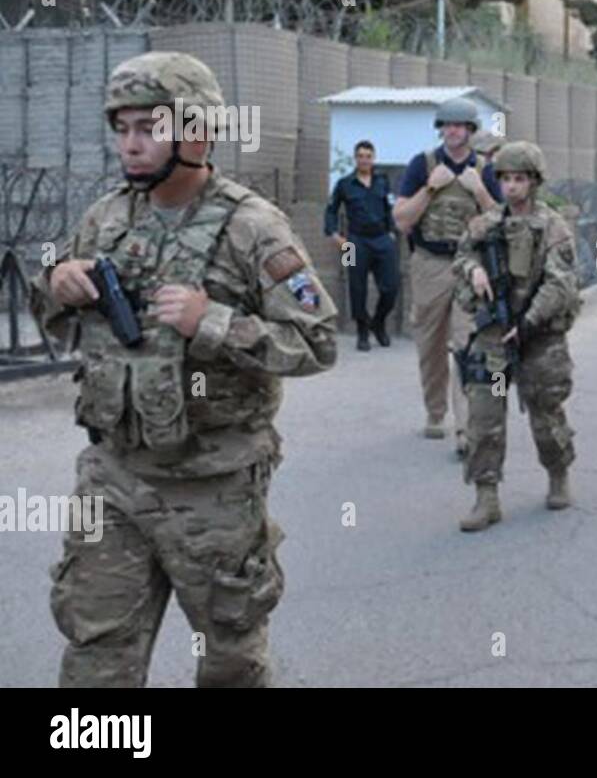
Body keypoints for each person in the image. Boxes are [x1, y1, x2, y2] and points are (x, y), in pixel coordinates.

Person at [30, 51, 337, 687]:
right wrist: (55, 287)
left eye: (149, 127)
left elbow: (317, 339)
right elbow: (64, 321)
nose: (131, 145)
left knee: (229, 659)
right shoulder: (107, 218)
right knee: (94, 652)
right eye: (122, 130)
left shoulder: (253, 227)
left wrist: (215, 322)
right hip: (114, 476)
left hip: (214, 485)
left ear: (195, 131)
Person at [452, 141, 581, 532]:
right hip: (494, 343)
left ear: (534, 181)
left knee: (545, 414)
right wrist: (473, 269)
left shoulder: (554, 228)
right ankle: (486, 496)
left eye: (519, 179)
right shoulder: (484, 226)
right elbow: (461, 258)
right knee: (485, 416)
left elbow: (560, 285)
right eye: (505, 179)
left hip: (537, 340)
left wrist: (525, 324)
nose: (511, 187)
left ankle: (558, 474)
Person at [393, 97, 502, 452]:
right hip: (429, 262)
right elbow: (402, 220)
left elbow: (502, 222)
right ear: (440, 128)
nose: (452, 130)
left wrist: (480, 191)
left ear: (470, 130)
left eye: (459, 125)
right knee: (429, 344)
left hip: (470, 265)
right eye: (446, 124)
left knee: (466, 346)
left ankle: (465, 428)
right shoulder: (421, 165)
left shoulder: (485, 169)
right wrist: (430, 188)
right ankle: (435, 412)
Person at [325, 140, 399, 350]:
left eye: (368, 156)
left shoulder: (383, 181)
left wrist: (392, 231)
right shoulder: (344, 184)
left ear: (373, 158)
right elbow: (331, 210)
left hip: (383, 239)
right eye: (360, 156)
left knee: (391, 288)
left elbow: (390, 208)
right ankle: (362, 331)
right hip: (354, 242)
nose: (364, 160)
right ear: (355, 159)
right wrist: (334, 235)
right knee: (356, 288)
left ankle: (378, 322)